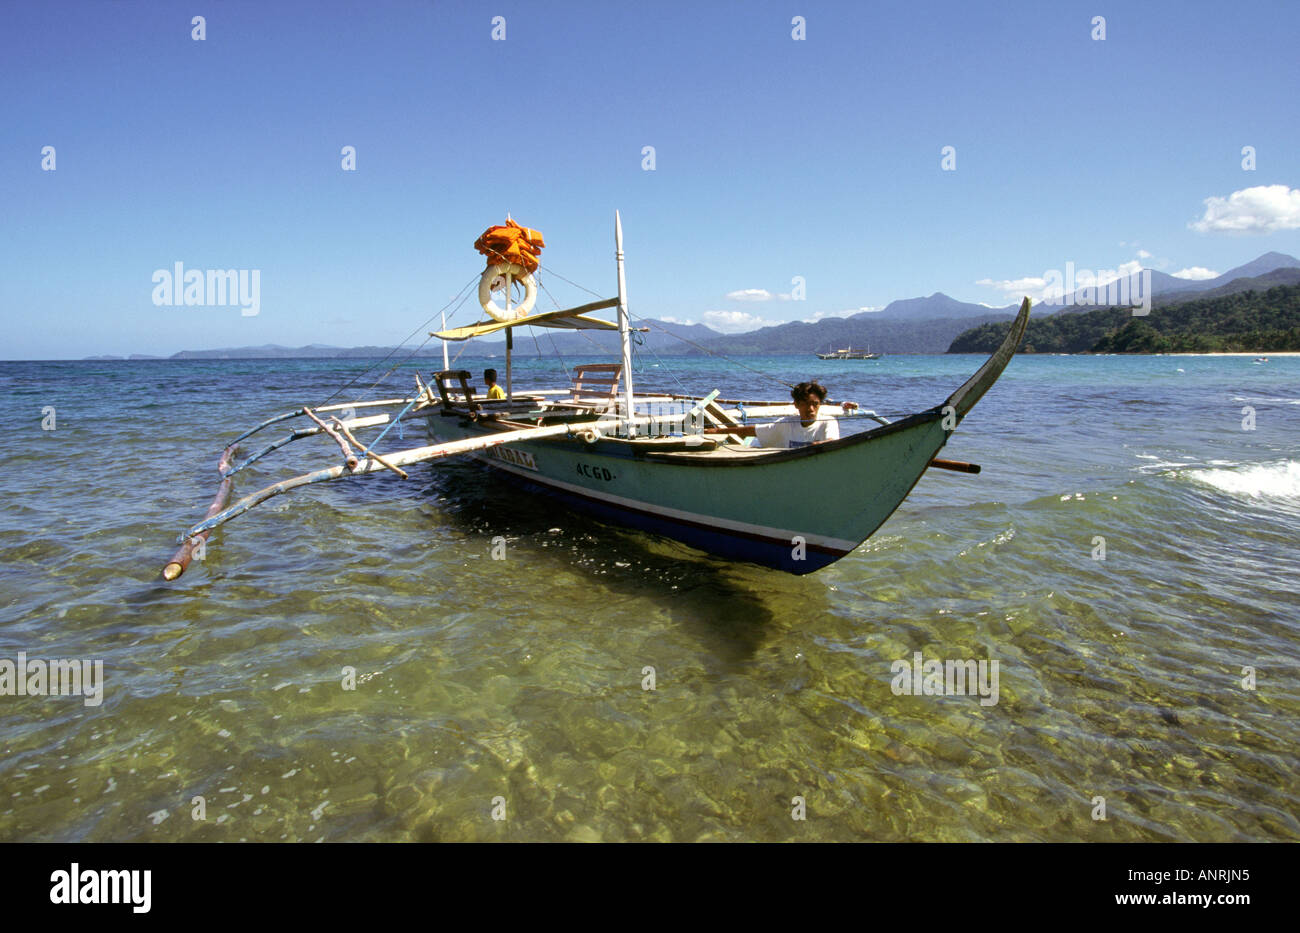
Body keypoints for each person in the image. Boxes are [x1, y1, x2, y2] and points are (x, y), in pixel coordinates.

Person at [704, 381, 858, 448]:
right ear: (796, 405)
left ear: (820, 405)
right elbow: (751, 430)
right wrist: (716, 431)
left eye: (815, 404)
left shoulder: (828, 422)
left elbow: (832, 442)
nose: (810, 409)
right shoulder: (786, 424)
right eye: (805, 404)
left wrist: (816, 446)